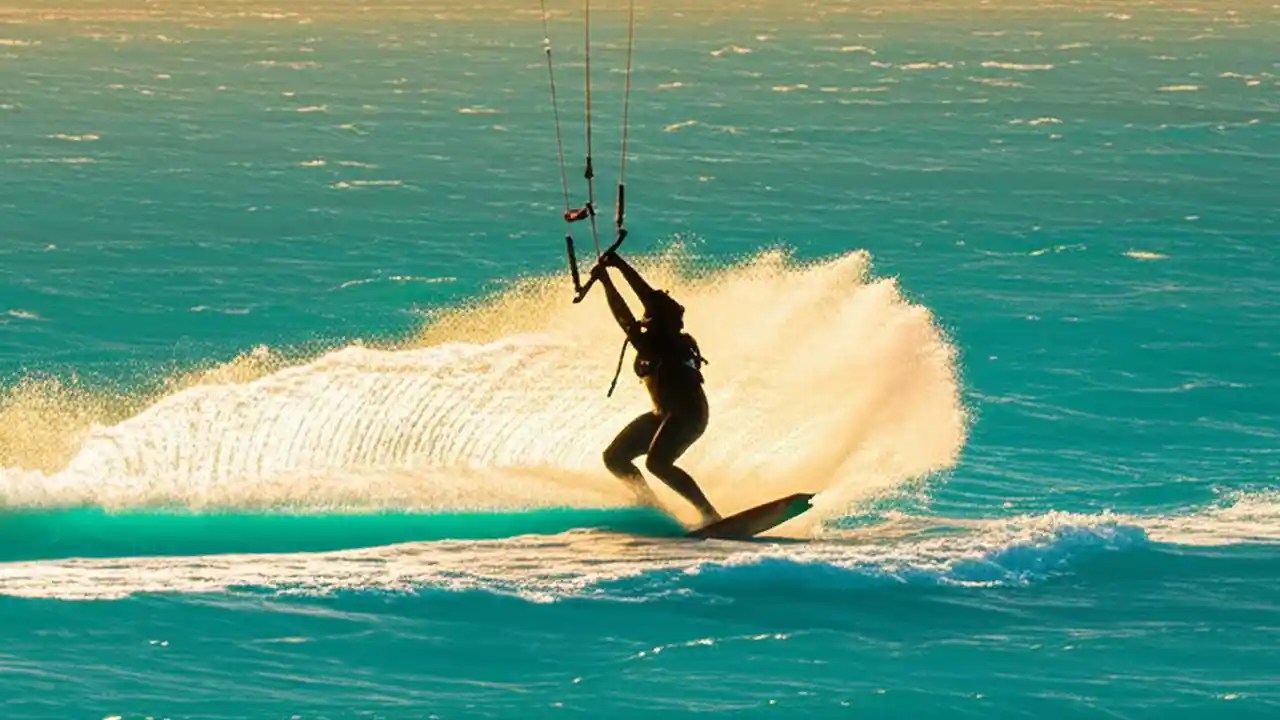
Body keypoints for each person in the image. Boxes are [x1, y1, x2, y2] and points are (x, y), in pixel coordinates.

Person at [590, 251, 721, 525]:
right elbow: (647, 295)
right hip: (664, 415)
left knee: (657, 463)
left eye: (650, 315)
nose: (645, 316)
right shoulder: (663, 332)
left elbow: (625, 317)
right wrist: (618, 264)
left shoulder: (661, 343)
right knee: (615, 457)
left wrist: (606, 281)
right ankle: (654, 508)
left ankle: (710, 514)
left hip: (688, 414)